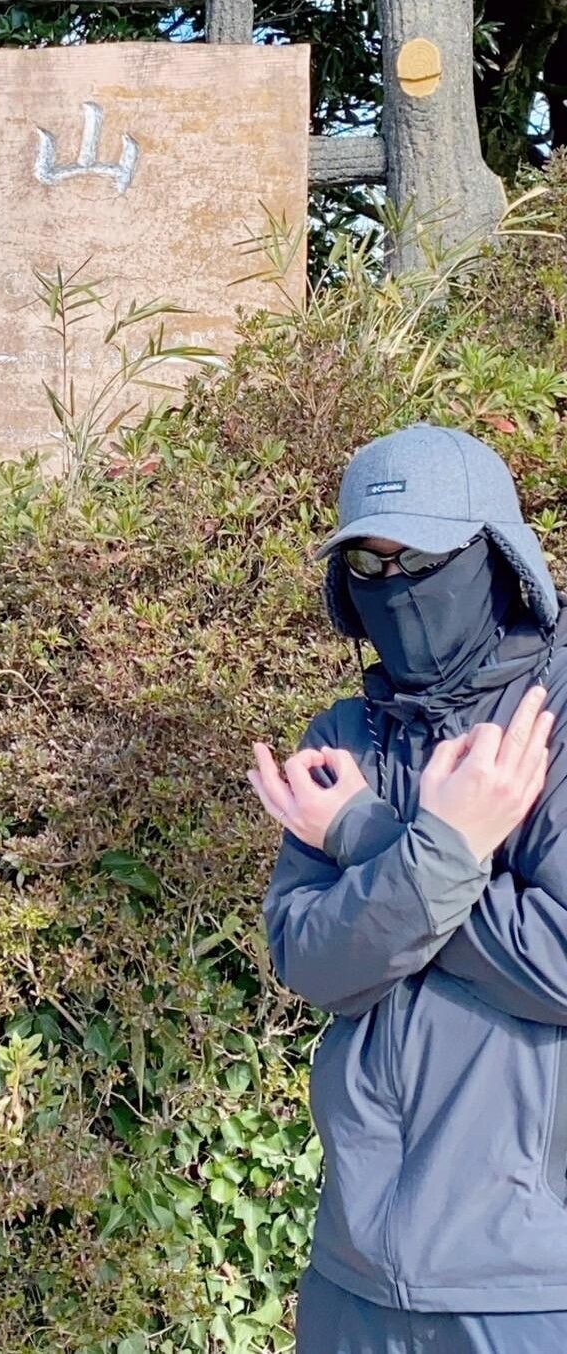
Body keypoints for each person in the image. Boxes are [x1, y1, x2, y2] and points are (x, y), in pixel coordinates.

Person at [250, 422, 567, 1354]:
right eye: (370, 567)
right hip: (353, 1265)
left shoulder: (556, 722)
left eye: (421, 558)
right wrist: (453, 845)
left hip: (527, 1279)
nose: (396, 589)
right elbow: (311, 960)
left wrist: (366, 836)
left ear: (496, 556)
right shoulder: (348, 730)